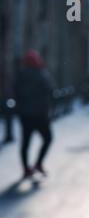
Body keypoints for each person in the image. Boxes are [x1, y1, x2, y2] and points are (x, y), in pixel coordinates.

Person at [14, 50, 54, 179]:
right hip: (40, 114)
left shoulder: (20, 75)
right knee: (48, 138)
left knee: (25, 143)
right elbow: (49, 90)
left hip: (25, 115)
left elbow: (15, 92)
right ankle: (38, 163)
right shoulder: (42, 74)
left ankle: (26, 169)